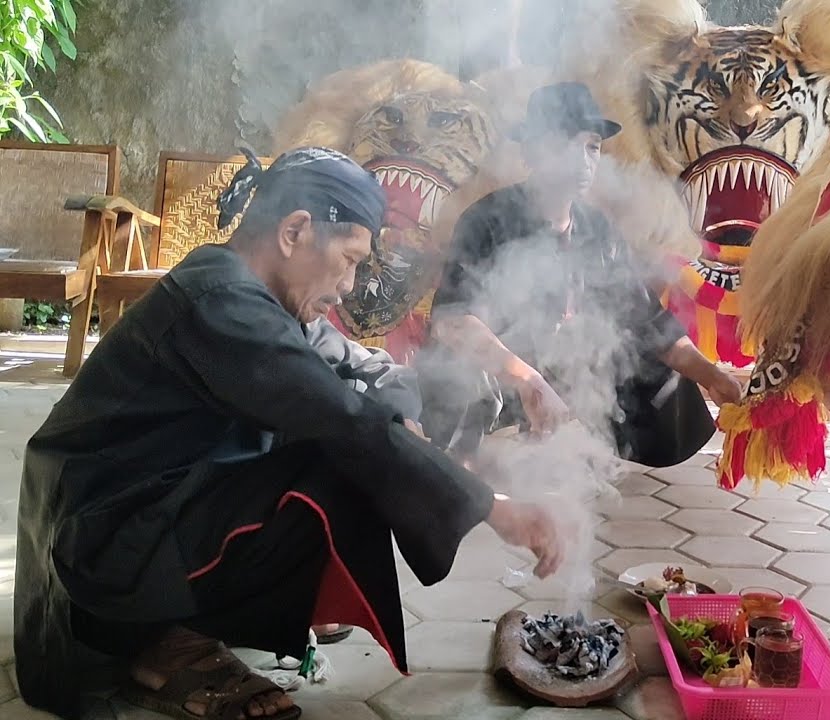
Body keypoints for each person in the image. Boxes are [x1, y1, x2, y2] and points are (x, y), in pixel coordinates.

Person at [14, 147, 564, 720]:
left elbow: (375, 369)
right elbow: (341, 419)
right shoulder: (220, 302)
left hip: (134, 520)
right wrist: (493, 508)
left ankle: (218, 607)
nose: (349, 286)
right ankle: (161, 644)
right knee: (340, 460)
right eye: (349, 260)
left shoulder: (263, 300)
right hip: (96, 546)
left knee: (377, 430)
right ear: (295, 231)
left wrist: (403, 419)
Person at [420, 82, 743, 464]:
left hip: (563, 366)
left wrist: (712, 376)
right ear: (535, 151)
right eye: (568, 143)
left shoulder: (597, 228)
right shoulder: (486, 219)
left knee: (643, 356)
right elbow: (453, 321)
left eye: (592, 146)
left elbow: (646, 319)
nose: (585, 159)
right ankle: (474, 462)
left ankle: (592, 446)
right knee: (467, 374)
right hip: (507, 373)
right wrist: (527, 380)